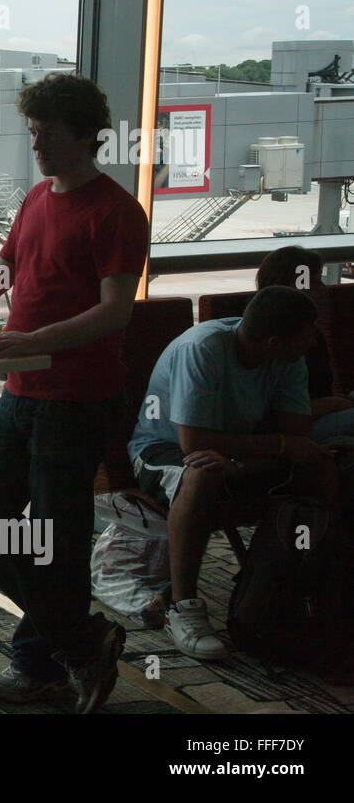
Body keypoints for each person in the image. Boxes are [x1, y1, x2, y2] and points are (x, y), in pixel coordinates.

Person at [0, 73, 149, 713]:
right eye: (33, 133)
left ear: (86, 136)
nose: (38, 146)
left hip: (76, 400)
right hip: (24, 393)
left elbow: (115, 313)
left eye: (49, 135)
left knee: (54, 542)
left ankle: (41, 666)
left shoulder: (114, 212)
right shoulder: (36, 201)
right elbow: (0, 275)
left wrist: (33, 338)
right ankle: (82, 646)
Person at [127, 285, 340, 659]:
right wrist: (274, 450)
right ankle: (183, 606)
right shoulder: (203, 349)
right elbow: (192, 441)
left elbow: (297, 434)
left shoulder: (289, 358)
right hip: (162, 448)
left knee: (319, 463)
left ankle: (306, 583)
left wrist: (246, 461)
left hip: (236, 445)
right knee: (202, 473)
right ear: (274, 342)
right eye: (307, 336)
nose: (312, 344)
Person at [255, 246, 354, 441]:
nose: (324, 290)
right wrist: (334, 403)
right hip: (299, 425)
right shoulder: (281, 340)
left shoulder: (307, 331)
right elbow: (278, 412)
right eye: (316, 282)